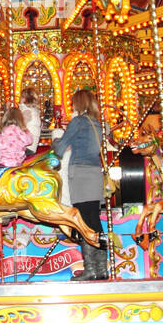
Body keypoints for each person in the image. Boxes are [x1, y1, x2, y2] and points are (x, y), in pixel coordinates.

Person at [51, 89, 108, 280]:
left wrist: (56, 139)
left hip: (81, 174)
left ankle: (91, 268)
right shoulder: (98, 124)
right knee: (94, 220)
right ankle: (102, 267)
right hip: (94, 173)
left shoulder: (78, 122)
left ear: (79, 103)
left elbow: (59, 149)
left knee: (84, 221)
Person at [19, 88, 43, 153]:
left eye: (21, 97)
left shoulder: (26, 111)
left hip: (27, 147)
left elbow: (20, 128)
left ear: (25, 99)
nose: (19, 99)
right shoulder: (34, 111)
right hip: (32, 145)